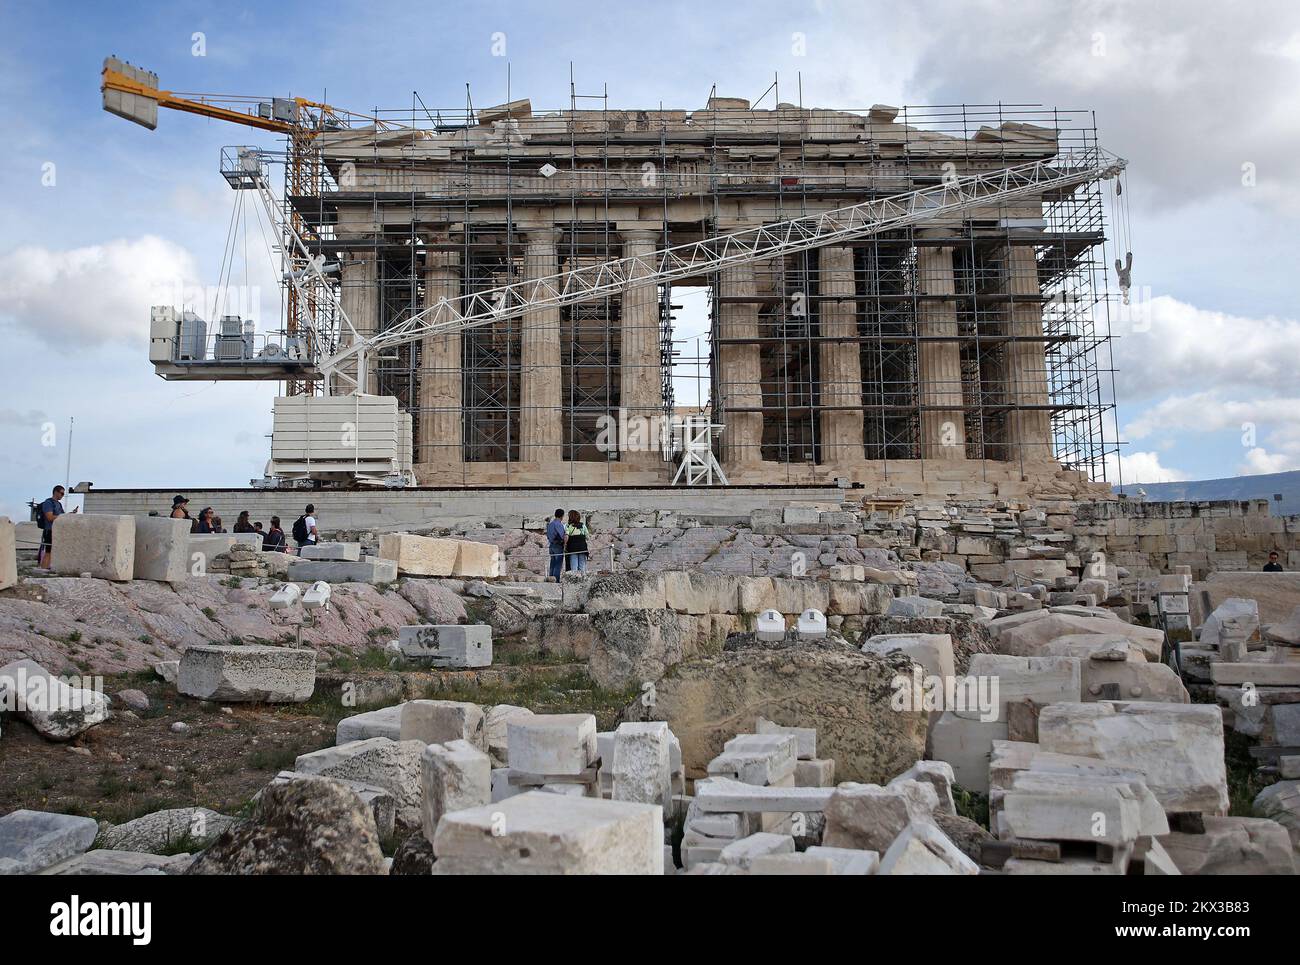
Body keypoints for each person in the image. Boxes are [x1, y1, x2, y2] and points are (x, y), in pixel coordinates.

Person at [36, 485, 76, 568]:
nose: (62, 495)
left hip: (56, 531)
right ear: (55, 492)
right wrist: (62, 517)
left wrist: (71, 514)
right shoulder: (48, 502)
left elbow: (62, 516)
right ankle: (44, 569)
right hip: (49, 530)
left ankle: (47, 568)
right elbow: (49, 517)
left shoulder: (59, 504)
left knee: (53, 551)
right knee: (48, 552)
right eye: (61, 493)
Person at [545, 508, 567, 581]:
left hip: (551, 545)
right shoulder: (559, 524)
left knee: (552, 563)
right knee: (558, 564)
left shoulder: (550, 524)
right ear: (562, 516)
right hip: (558, 545)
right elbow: (562, 535)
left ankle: (550, 579)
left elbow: (548, 535)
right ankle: (556, 579)